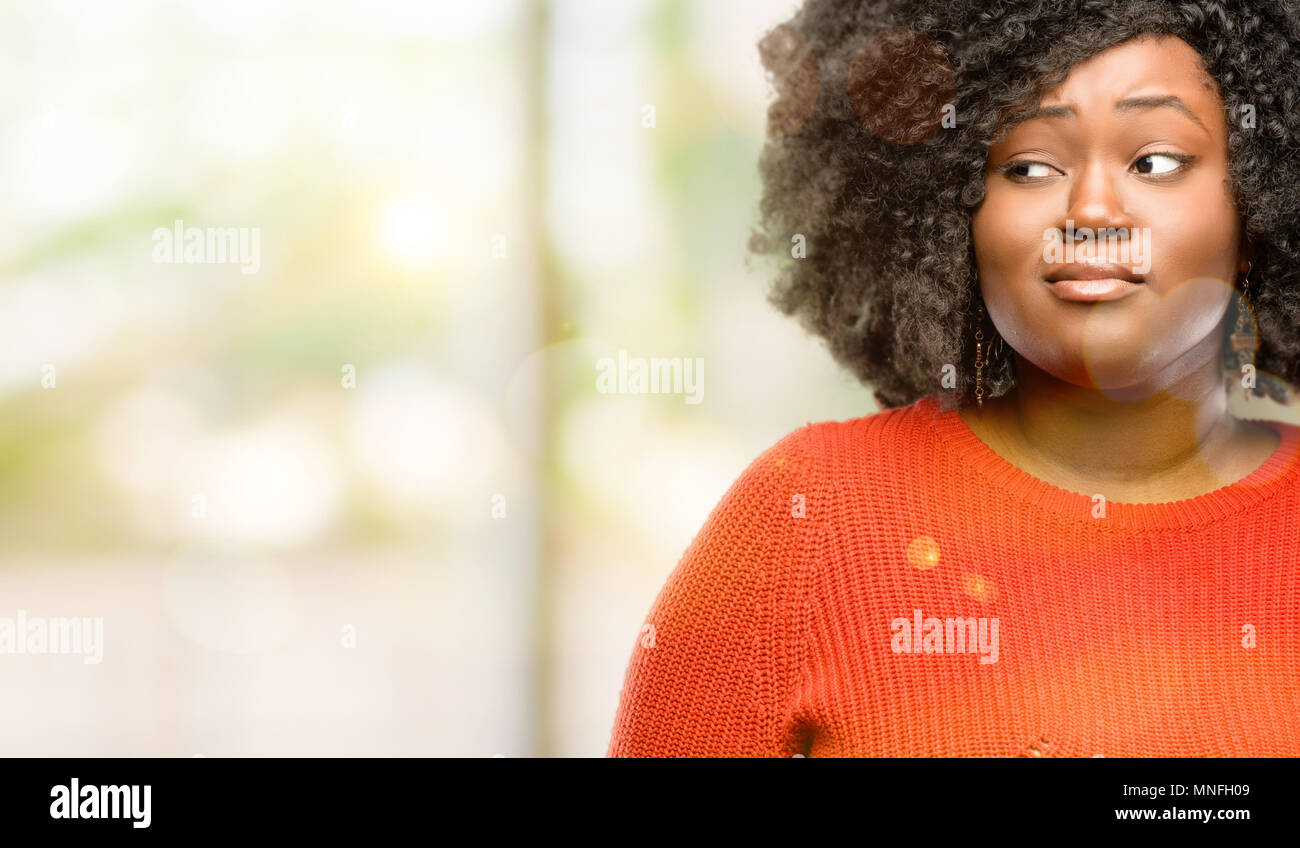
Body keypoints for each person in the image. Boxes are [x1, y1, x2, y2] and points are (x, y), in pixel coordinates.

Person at [607, 0, 1300, 757]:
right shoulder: (808, 516)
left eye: (1155, 162)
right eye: (1029, 166)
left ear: (1261, 209)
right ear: (947, 214)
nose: (1092, 209)